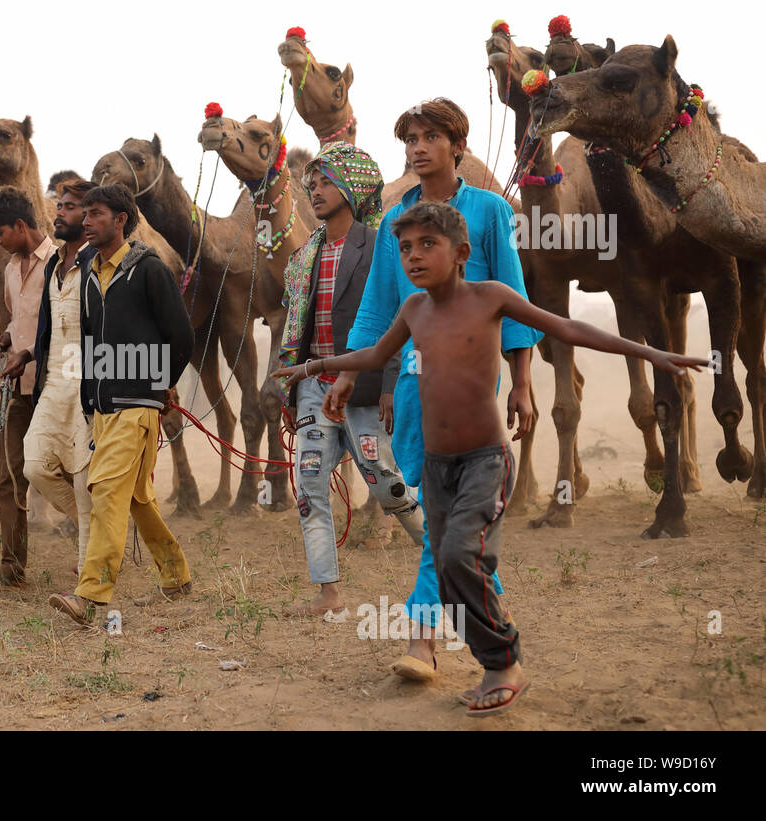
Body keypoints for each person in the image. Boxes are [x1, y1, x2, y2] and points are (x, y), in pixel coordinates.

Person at [276, 201, 705, 715]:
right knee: (455, 568)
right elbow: (374, 354)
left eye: (426, 245)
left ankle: (503, 662)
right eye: (405, 247)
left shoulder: (491, 299)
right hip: (437, 468)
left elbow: (566, 328)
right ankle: (487, 659)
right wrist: (316, 366)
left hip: (484, 461)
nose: (412, 256)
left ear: (461, 253)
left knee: (457, 556)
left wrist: (652, 354)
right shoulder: (414, 311)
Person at [326, 99, 540, 681]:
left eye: (431, 136)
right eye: (411, 138)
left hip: (469, 378)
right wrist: (348, 376)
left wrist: (521, 382)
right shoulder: (400, 219)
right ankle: (486, 607)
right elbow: (376, 309)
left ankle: (422, 642)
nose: (418, 147)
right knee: (440, 509)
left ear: (456, 146)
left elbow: (514, 299)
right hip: (415, 378)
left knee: (442, 519)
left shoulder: (490, 212)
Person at [274, 141, 425, 617]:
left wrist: (387, 386)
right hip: (314, 385)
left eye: (324, 183)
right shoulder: (303, 257)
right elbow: (295, 326)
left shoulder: (381, 245)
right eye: (311, 184)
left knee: (385, 482)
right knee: (310, 485)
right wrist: (293, 386)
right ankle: (328, 593)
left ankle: (444, 558)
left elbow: (395, 318)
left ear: (352, 187)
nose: (314, 192)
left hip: (361, 384)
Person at [47, 184, 193, 625]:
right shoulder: (89, 271)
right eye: (84, 214)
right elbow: (90, 342)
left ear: (121, 220)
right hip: (103, 407)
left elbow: (181, 338)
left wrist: (160, 384)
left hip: (137, 405)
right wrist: (90, 399)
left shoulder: (148, 269)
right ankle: (176, 575)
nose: (85, 222)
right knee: (136, 498)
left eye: (94, 214)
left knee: (107, 490)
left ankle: (91, 595)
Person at [5, 178, 99, 576]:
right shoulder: (55, 265)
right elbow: (47, 326)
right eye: (59, 205)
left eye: (70, 206)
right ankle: (98, 531)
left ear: (91, 216)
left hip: (89, 381)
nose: (59, 212)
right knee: (35, 467)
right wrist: (25, 351)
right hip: (52, 381)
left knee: (81, 476)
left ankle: (88, 579)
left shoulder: (102, 264)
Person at [0, 187, 57, 586]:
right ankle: (12, 569)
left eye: (0, 233)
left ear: (20, 226)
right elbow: (20, 321)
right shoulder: (10, 269)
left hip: (57, 387)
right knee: (10, 478)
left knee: (71, 474)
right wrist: (7, 338)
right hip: (18, 388)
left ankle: (97, 562)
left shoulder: (63, 265)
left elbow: (64, 329)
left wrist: (27, 351)